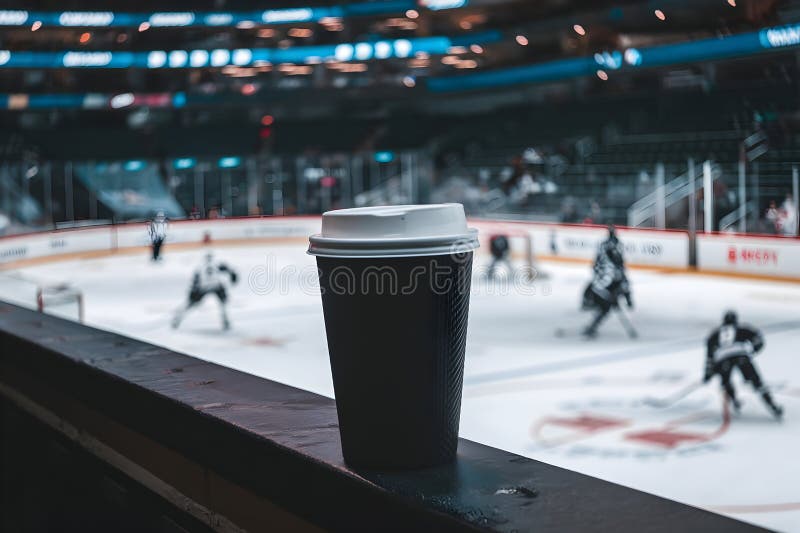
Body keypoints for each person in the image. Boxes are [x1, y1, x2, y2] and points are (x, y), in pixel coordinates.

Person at [704, 311, 783, 419]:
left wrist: (708, 373)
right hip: (741, 356)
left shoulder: (715, 333)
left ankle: (735, 401)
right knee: (757, 383)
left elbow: (709, 356)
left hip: (723, 359)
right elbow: (758, 338)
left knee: (726, 382)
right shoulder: (742, 329)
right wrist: (754, 350)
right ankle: (772, 406)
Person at [581, 226, 632, 337]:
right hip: (604, 287)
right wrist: (627, 299)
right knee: (605, 307)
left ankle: (592, 326)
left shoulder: (607, 248)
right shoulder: (613, 252)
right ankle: (591, 327)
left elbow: (596, 266)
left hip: (602, 286)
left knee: (604, 307)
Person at [172, 253, 238, 330]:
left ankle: (178, 318)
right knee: (223, 303)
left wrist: (192, 294)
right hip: (216, 286)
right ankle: (225, 320)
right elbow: (230, 271)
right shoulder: (216, 264)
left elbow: (194, 283)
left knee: (191, 304)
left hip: (203, 287)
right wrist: (233, 278)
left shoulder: (199, 267)